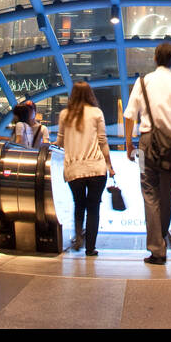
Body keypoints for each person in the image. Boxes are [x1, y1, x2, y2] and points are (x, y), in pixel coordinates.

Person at [124, 42, 171, 265]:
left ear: (155, 58)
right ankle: (161, 240)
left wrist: (129, 144)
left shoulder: (142, 82)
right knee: (167, 196)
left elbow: (130, 115)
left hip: (146, 143)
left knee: (149, 194)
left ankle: (157, 249)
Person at [53, 81, 113, 255]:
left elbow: (60, 141)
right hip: (96, 167)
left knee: (78, 205)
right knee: (93, 207)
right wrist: (109, 165)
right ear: (90, 94)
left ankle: (78, 238)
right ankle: (90, 247)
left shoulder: (65, 114)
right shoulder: (96, 113)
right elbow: (103, 141)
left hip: (74, 168)